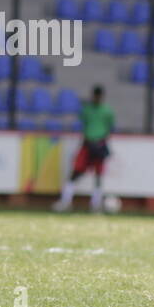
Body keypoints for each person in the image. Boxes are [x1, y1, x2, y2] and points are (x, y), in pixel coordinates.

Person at [53, 84, 114, 213]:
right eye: (95, 96)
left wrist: (101, 140)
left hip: (100, 144)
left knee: (98, 176)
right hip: (87, 145)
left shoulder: (107, 111)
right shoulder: (86, 110)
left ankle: (95, 205)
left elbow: (109, 127)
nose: (97, 99)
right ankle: (65, 201)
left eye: (99, 96)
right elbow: (84, 124)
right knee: (75, 173)